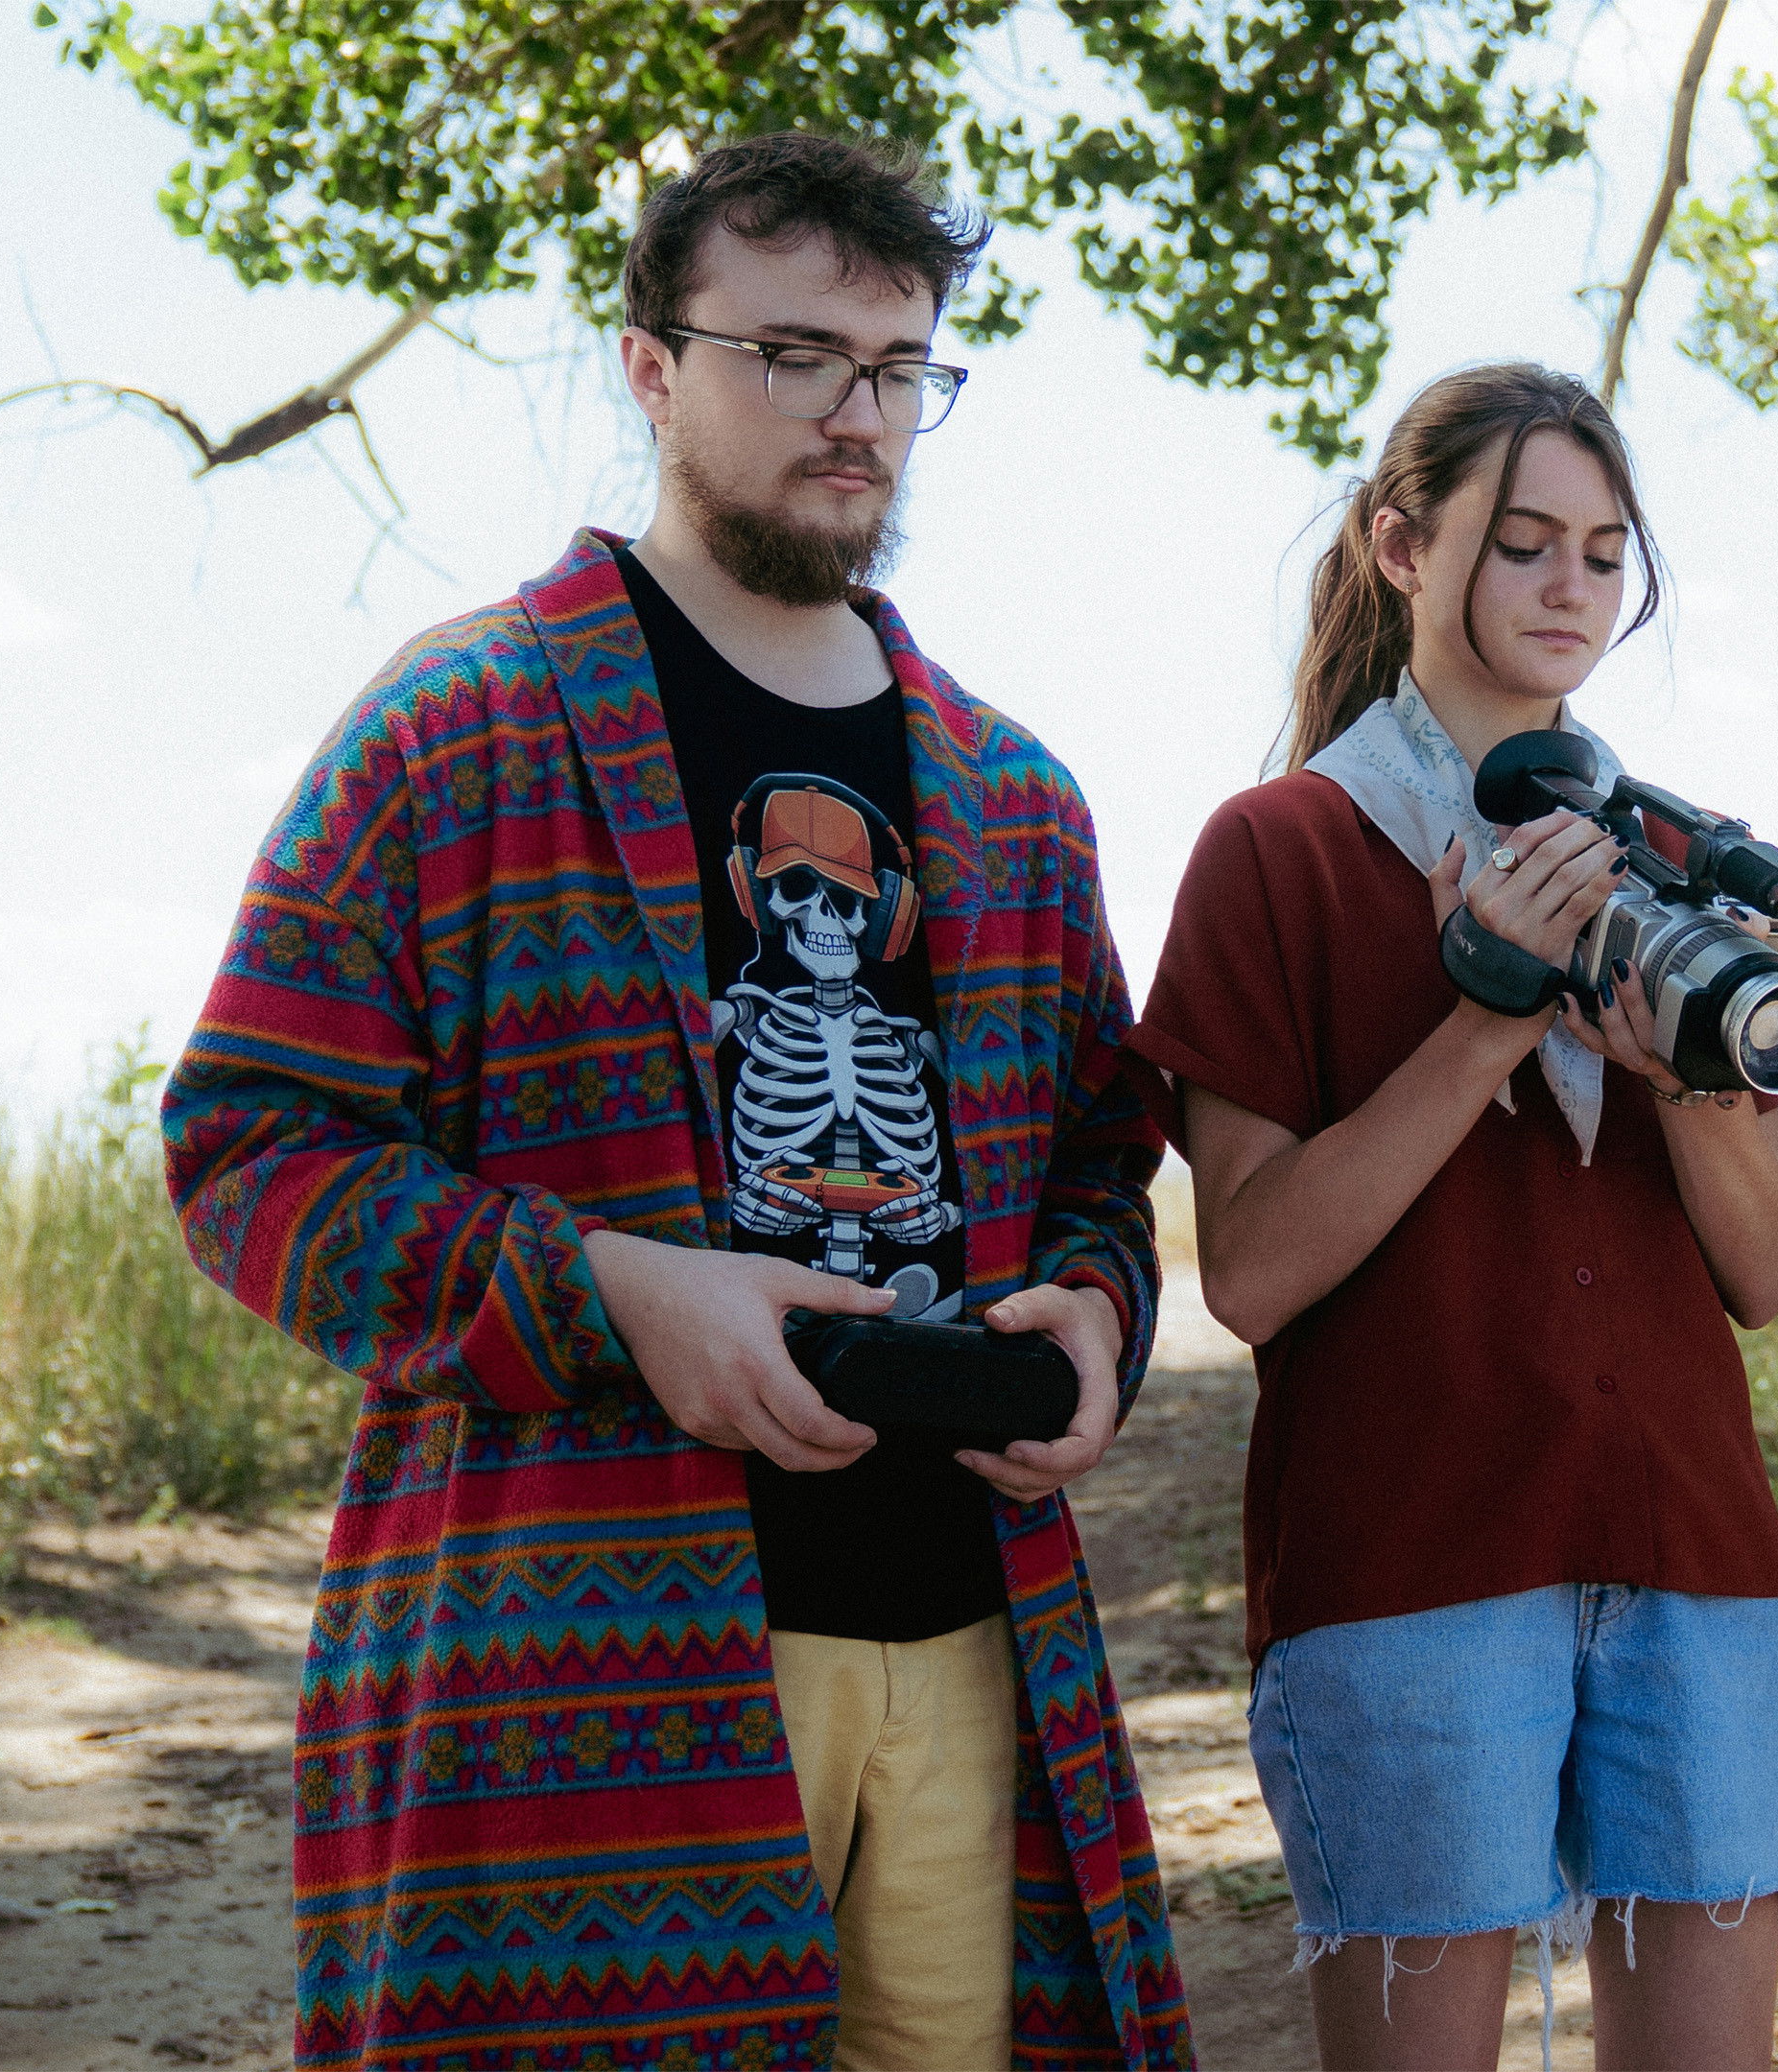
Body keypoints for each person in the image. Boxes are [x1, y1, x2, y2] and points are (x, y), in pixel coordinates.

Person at [160, 132, 1189, 2069]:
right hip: (579, 1648)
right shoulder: (457, 724)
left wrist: (1094, 1311)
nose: (855, 415)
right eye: (793, 356)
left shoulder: (1013, 796)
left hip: (971, 1637)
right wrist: (613, 1291)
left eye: (897, 371)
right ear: (649, 362)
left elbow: (1097, 1167)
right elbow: (247, 1151)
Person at [1124, 363, 1778, 2071]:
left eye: (1602, 552)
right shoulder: (1279, 850)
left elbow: (1768, 1272)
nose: (1571, 586)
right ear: (1399, 546)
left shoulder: (1681, 877)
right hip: (1412, 1559)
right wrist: (1488, 1013)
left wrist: (1677, 1072)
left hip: (1689, 1553)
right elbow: (1257, 1276)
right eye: (1523, 545)